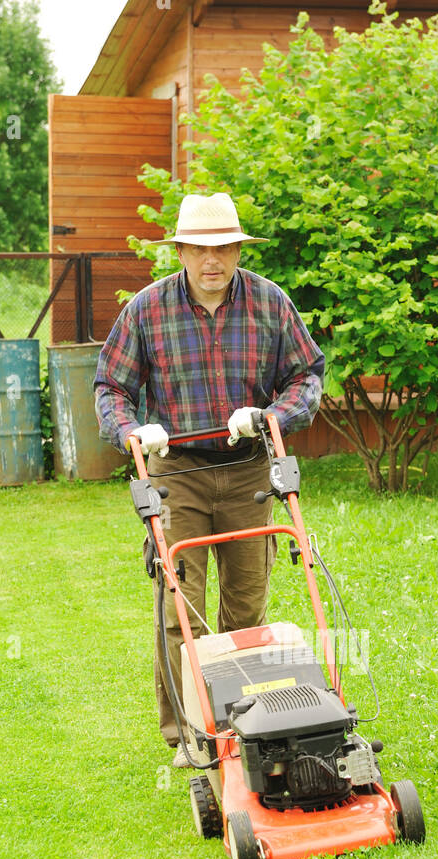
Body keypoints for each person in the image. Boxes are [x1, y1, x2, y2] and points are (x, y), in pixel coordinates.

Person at [94, 192, 325, 765]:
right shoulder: (146, 311)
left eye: (223, 248)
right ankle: (189, 735)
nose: (212, 260)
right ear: (180, 252)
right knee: (181, 609)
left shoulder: (270, 304)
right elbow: (110, 388)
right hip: (176, 474)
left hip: (247, 469)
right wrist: (132, 431)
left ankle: (245, 721)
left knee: (245, 607)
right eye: (199, 249)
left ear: (238, 249)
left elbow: (308, 375)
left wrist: (271, 417)